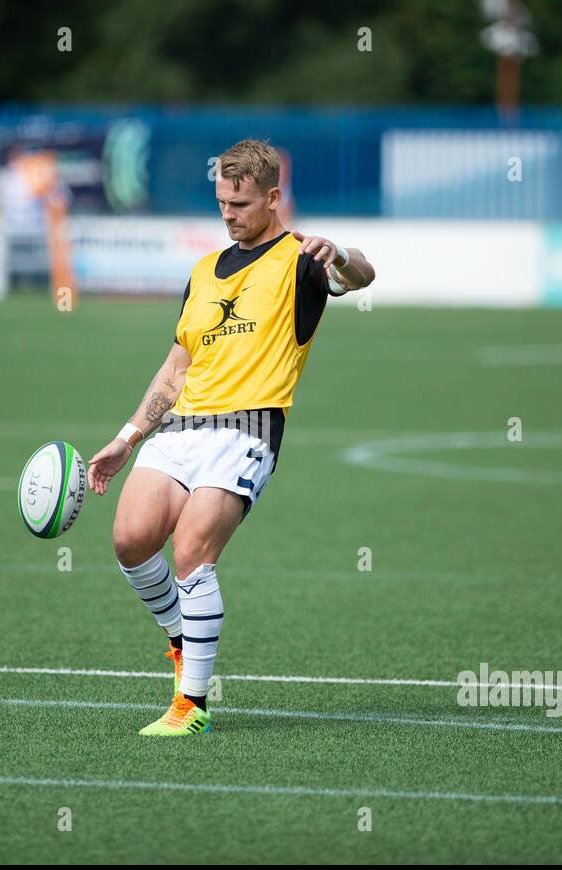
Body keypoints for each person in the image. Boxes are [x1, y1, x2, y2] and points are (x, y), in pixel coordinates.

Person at [85, 139, 376, 737]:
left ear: (273, 198)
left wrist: (340, 253)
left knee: (192, 554)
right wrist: (128, 437)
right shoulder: (202, 272)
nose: (228, 214)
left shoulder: (301, 261)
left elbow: (364, 275)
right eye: (221, 201)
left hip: (248, 430)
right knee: (131, 541)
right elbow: (176, 368)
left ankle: (192, 705)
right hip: (180, 427)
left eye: (240, 203)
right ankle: (182, 641)